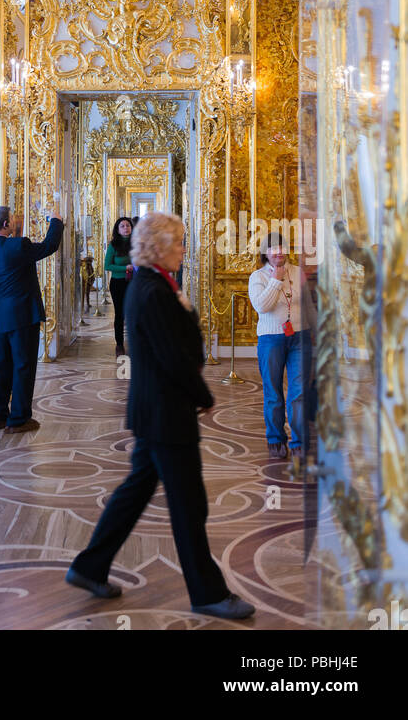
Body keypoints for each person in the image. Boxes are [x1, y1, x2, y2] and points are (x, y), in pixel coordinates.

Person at [66, 211, 254, 620]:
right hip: (166, 413)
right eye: (180, 242)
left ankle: (89, 566)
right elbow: (173, 356)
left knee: (134, 494)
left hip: (156, 411)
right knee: (190, 505)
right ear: (160, 247)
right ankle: (207, 592)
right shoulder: (151, 290)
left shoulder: (157, 283)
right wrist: (203, 394)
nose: (185, 249)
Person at [0, 204, 64, 434]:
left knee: (1, 366)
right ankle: (19, 419)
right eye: (11, 219)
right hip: (24, 315)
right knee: (23, 366)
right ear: (6, 224)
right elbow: (49, 246)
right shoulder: (18, 245)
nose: (13, 221)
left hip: (0, 316)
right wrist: (56, 220)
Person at [248, 234, 311, 461]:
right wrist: (276, 279)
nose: (278, 252)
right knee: (273, 392)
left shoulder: (298, 272)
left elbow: (308, 304)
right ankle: (275, 439)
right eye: (273, 248)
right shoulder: (258, 276)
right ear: (265, 253)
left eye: (281, 247)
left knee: (298, 392)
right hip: (270, 338)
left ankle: (299, 441)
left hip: (299, 337)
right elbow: (262, 306)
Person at [104, 216, 133, 357]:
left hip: (134, 283)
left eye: (128, 225)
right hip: (118, 284)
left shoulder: (137, 244)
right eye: (122, 226)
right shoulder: (113, 245)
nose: (126, 228)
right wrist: (125, 268)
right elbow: (107, 266)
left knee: (134, 313)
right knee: (120, 314)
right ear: (118, 229)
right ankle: (119, 344)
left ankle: (136, 342)